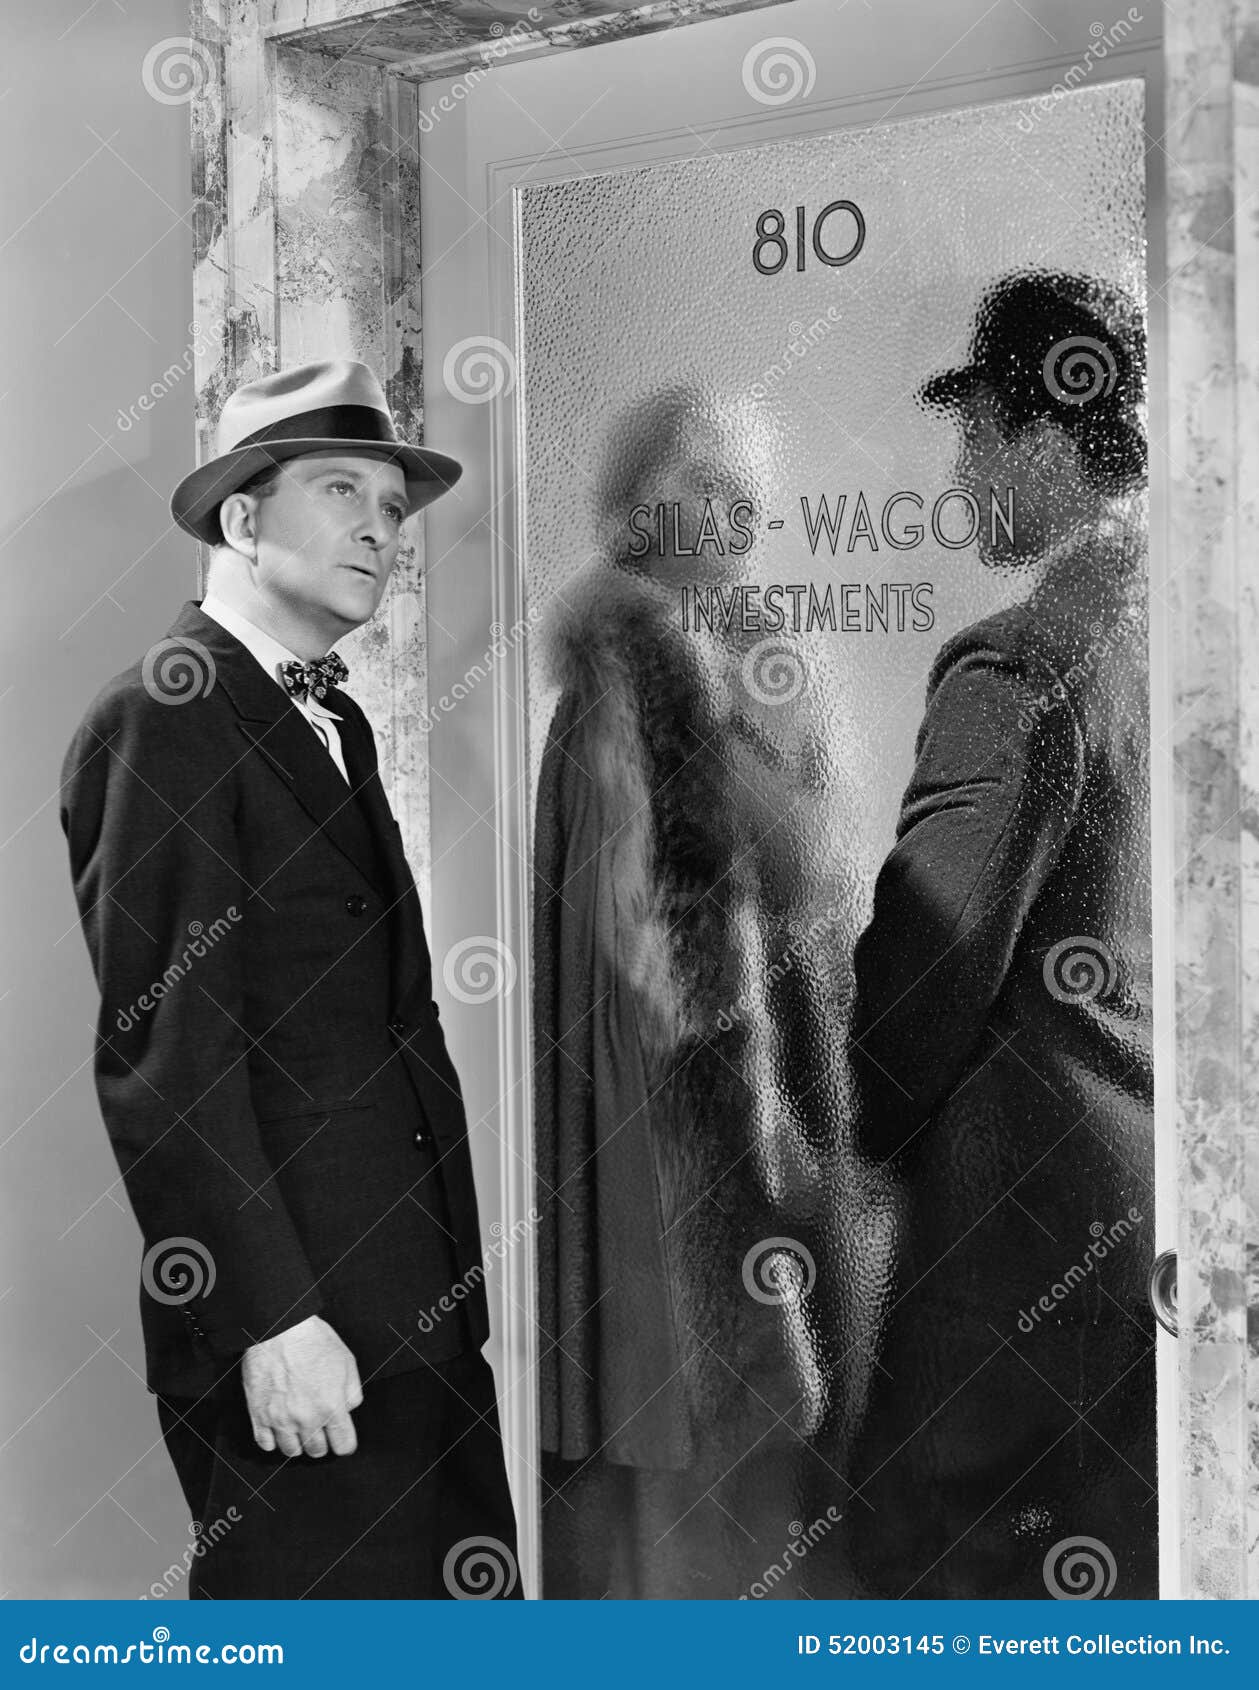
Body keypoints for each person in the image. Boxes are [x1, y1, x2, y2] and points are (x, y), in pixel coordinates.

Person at [59, 359, 520, 1599]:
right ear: (243, 517)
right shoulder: (168, 712)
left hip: (412, 1312)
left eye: (390, 498)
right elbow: (166, 1066)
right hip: (305, 1336)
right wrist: (269, 1319)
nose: (381, 524)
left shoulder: (332, 718)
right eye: (340, 489)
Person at [846, 273, 1156, 1599]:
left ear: (1041, 434)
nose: (958, 473)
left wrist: (847, 1132)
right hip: (1147, 1205)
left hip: (1015, 1214)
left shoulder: (1019, 661)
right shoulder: (1188, 632)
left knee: (923, 1573)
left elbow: (922, 975)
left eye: (972, 433)